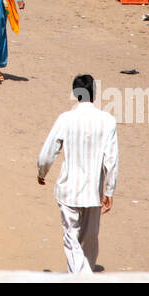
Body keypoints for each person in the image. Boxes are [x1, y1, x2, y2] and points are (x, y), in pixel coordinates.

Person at [37, 74, 119, 275]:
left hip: (68, 190)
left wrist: (42, 171)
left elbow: (49, 150)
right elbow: (112, 159)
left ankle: (80, 276)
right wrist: (109, 189)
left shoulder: (66, 118)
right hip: (93, 191)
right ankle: (85, 273)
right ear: (94, 94)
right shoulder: (107, 120)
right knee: (90, 238)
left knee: (71, 238)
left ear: (75, 94)